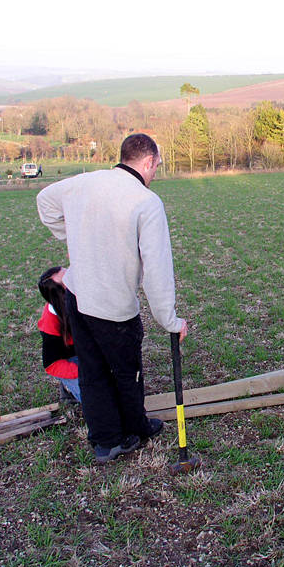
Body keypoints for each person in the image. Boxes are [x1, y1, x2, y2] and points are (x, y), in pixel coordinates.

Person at [37, 133, 188, 464]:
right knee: (126, 372)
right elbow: (157, 271)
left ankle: (108, 441)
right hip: (114, 310)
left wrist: (75, 234)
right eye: (157, 165)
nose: (156, 172)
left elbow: (45, 200)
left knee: (92, 371)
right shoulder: (146, 202)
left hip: (77, 298)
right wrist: (170, 321)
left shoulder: (84, 182)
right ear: (148, 162)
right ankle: (132, 428)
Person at [37, 266, 81, 404]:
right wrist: (83, 371)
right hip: (70, 360)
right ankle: (69, 389)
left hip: (87, 350)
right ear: (62, 295)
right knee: (97, 398)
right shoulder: (50, 322)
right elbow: (51, 364)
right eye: (67, 279)